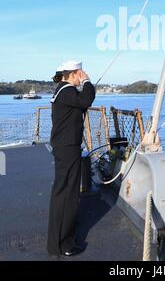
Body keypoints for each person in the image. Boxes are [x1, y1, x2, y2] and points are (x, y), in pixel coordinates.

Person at [47, 60, 95, 258]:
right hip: (68, 149)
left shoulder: (62, 91)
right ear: (74, 73)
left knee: (62, 194)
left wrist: (85, 88)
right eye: (80, 74)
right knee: (68, 195)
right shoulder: (67, 91)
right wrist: (88, 82)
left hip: (63, 148)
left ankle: (57, 241)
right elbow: (86, 101)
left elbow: (80, 104)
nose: (81, 77)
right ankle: (64, 244)